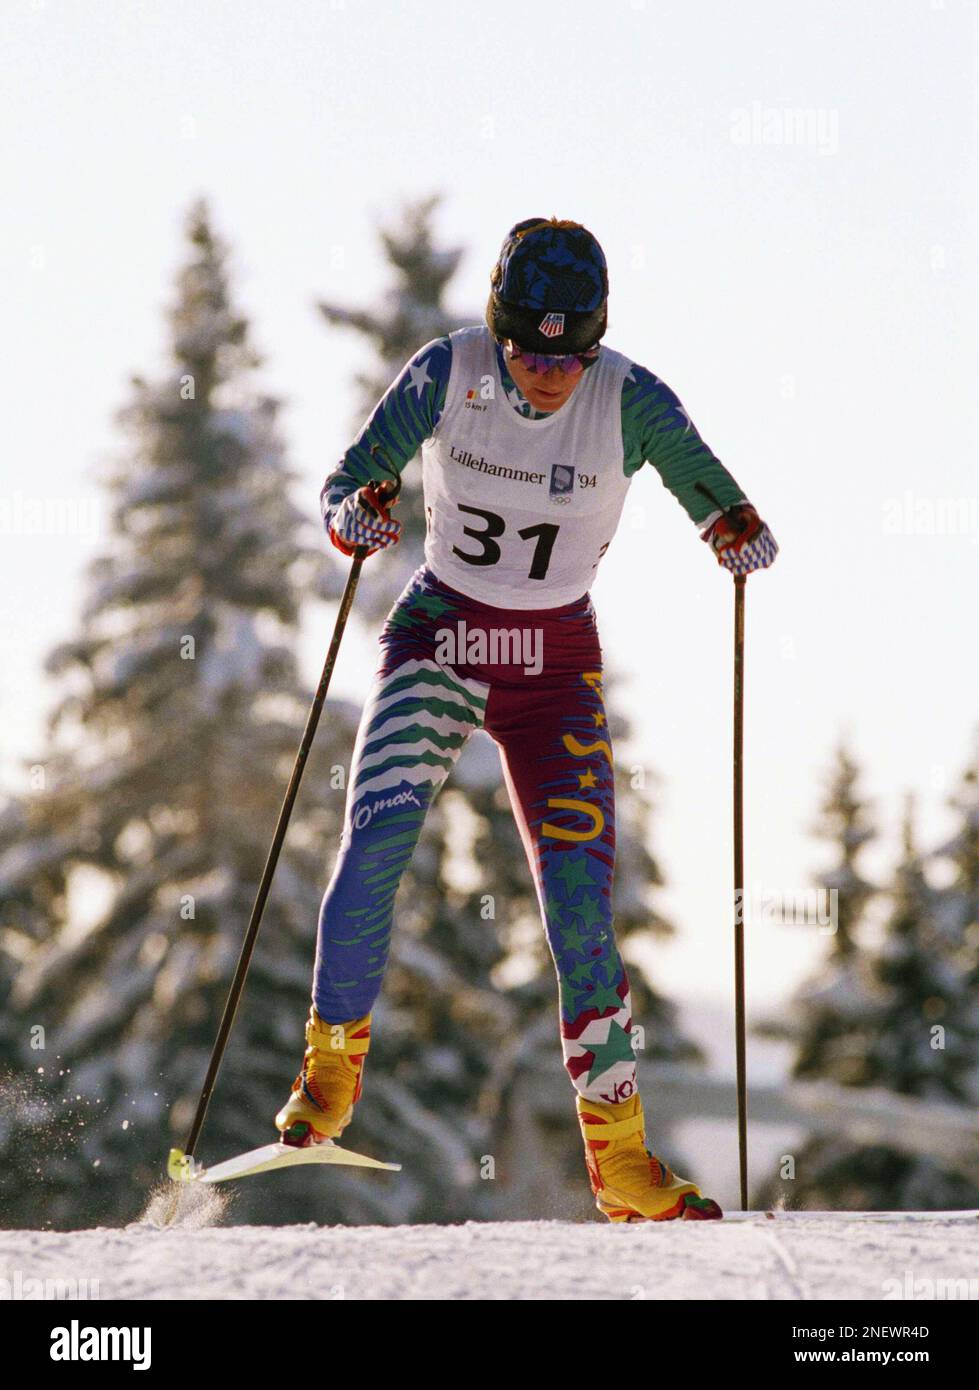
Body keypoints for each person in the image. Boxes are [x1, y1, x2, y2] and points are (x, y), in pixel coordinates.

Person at [275, 217, 778, 1221]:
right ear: (497, 334)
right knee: (374, 845)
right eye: (529, 353)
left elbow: (709, 489)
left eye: (568, 355)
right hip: (443, 637)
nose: (548, 376)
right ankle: (330, 1070)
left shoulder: (628, 397)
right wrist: (355, 516)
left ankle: (622, 1161)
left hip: (552, 666)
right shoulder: (446, 372)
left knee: (583, 908)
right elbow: (343, 487)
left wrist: (733, 526)